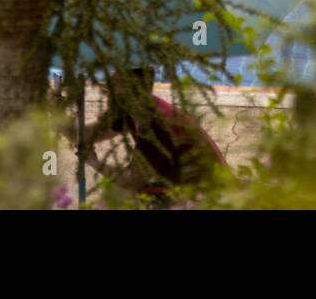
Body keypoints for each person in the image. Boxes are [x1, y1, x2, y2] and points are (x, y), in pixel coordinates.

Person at [71, 68, 228, 205]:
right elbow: (84, 134)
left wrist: (93, 161)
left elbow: (131, 180)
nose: (108, 85)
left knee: (122, 194)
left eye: (116, 81)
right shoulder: (135, 107)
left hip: (206, 198)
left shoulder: (156, 124)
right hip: (186, 187)